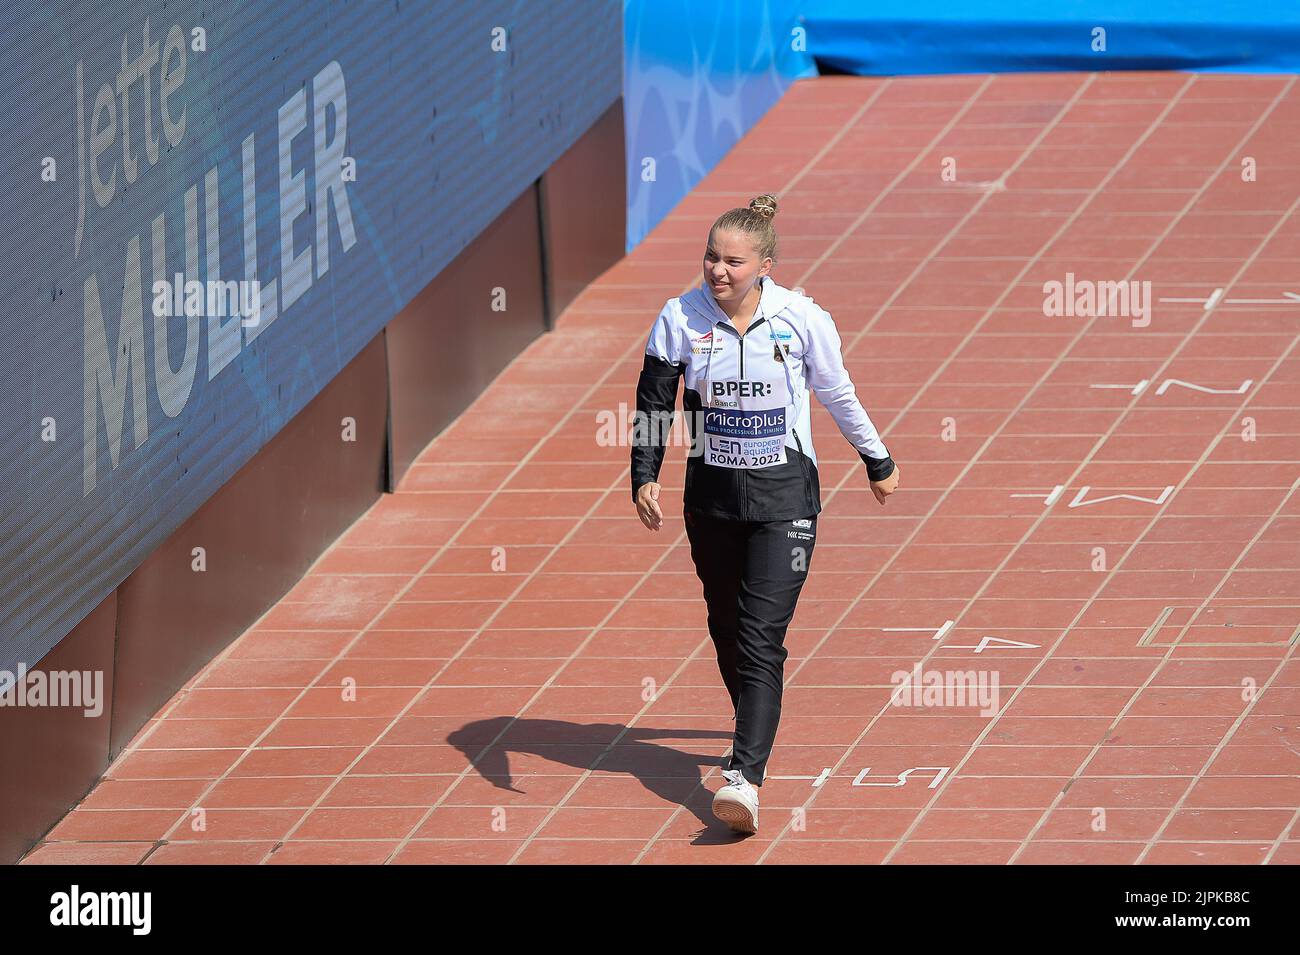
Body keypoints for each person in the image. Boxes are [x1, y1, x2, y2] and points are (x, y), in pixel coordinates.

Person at [630, 193, 901, 834]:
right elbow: (652, 401)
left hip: (785, 500)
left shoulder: (802, 320)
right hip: (713, 500)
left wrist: (876, 457)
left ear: (765, 266)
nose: (717, 271)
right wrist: (643, 474)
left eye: (733, 261)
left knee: (759, 635)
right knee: (726, 624)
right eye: (710, 258)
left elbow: (835, 390)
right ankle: (754, 712)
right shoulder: (678, 318)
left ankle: (744, 778)